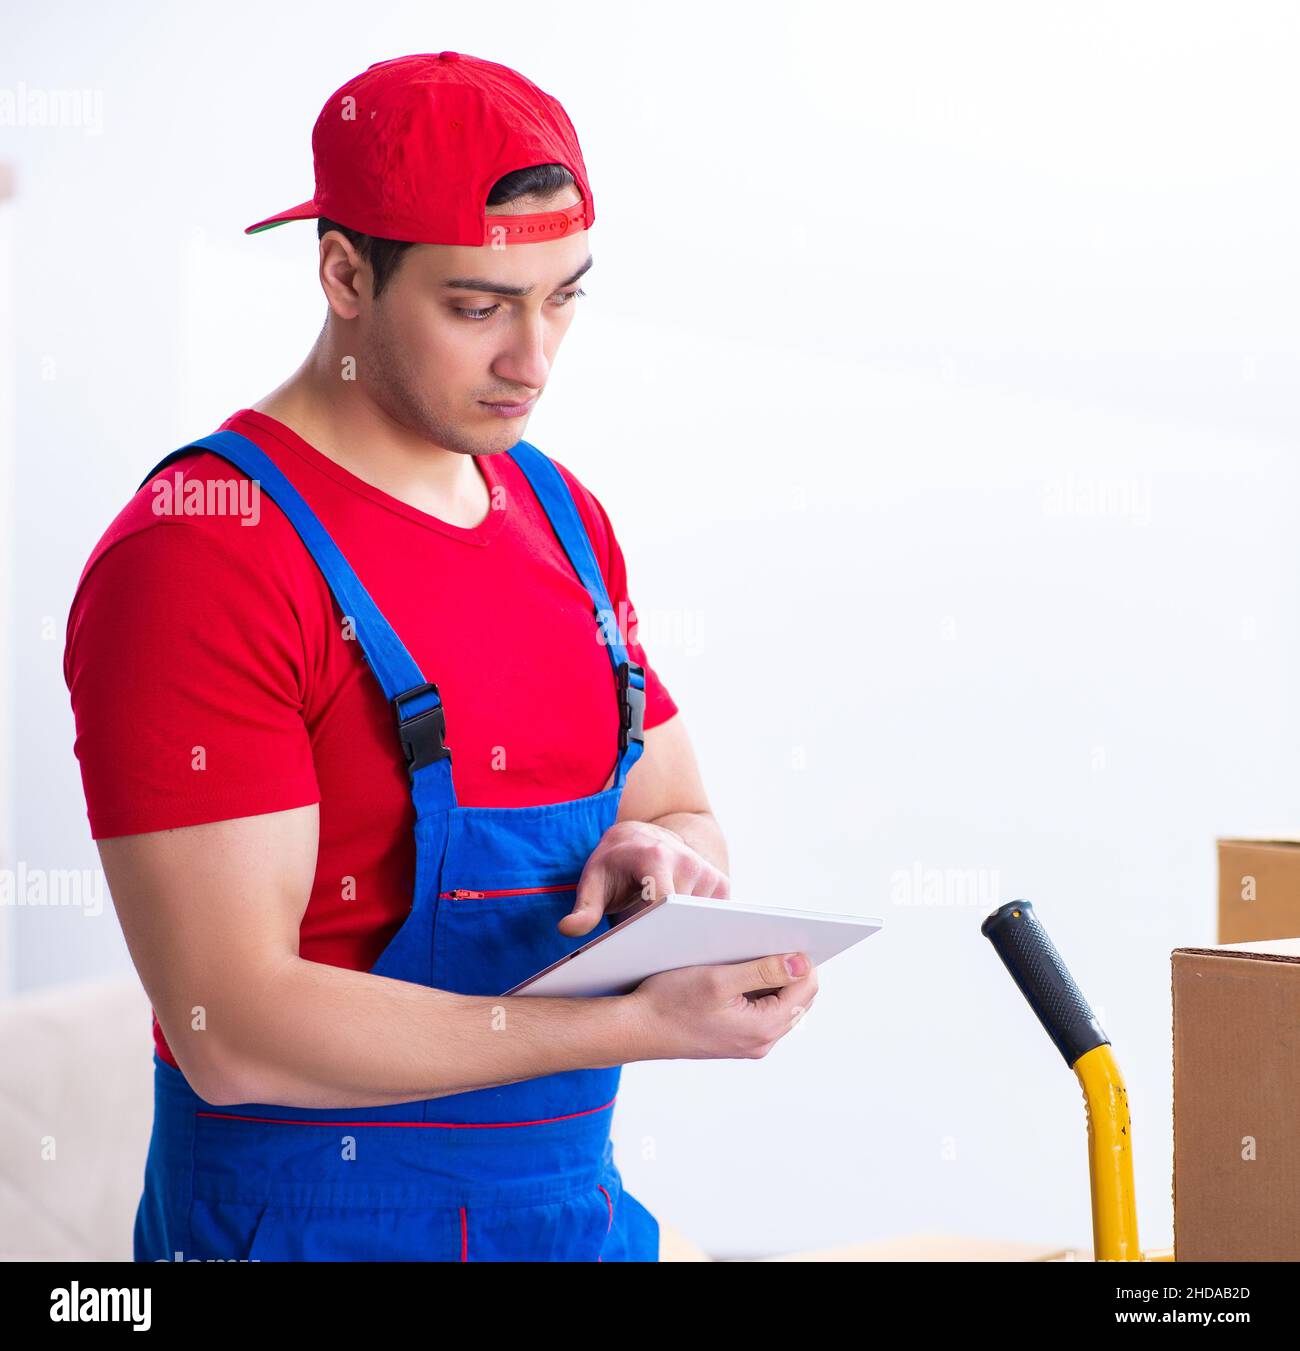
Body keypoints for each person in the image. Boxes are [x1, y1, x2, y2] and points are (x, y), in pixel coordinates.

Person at [63, 51, 818, 1263]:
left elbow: (677, 801)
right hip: (307, 1230)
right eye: (479, 307)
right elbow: (230, 1027)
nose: (534, 358)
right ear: (344, 272)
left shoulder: (557, 518)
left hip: (572, 1216)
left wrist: (662, 861)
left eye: (563, 296)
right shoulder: (204, 558)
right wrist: (628, 1022)